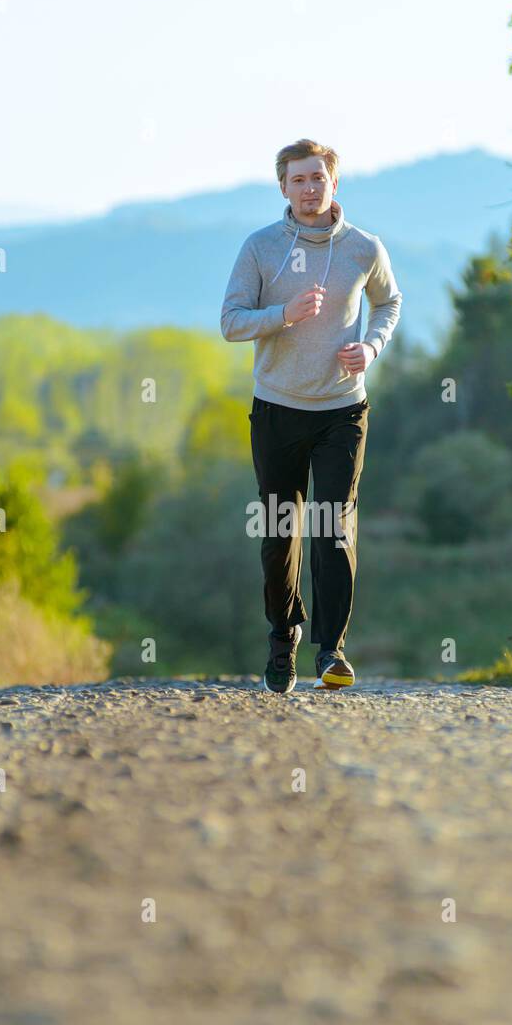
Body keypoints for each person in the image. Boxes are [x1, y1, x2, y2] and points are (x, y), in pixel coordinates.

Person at [221, 138, 402, 693]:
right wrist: (283, 314)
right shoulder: (261, 248)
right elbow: (230, 321)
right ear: (283, 187)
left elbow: (390, 302)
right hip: (277, 408)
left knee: (333, 529)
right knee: (280, 532)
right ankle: (284, 636)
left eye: (317, 179)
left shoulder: (364, 248)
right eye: (298, 180)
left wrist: (371, 348)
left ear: (334, 184)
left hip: (342, 410)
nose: (308, 189)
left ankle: (331, 650)